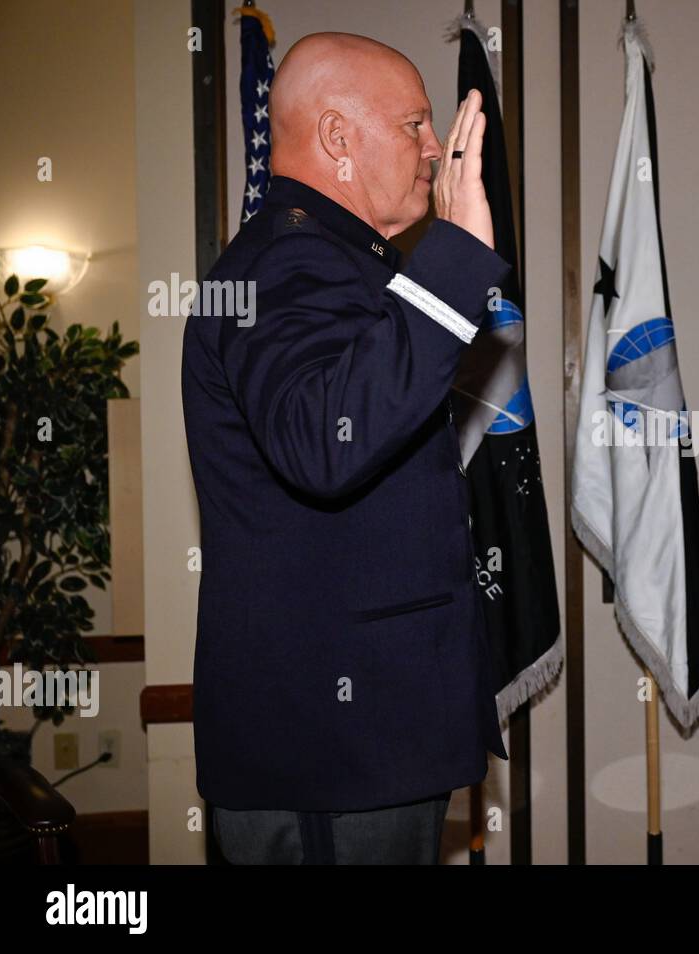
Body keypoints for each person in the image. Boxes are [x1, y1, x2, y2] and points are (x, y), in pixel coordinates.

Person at [181, 32, 509, 864]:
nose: (434, 150)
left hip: (356, 744)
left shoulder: (329, 261)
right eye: (415, 125)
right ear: (336, 137)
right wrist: (459, 259)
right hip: (333, 751)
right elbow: (324, 442)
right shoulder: (288, 261)